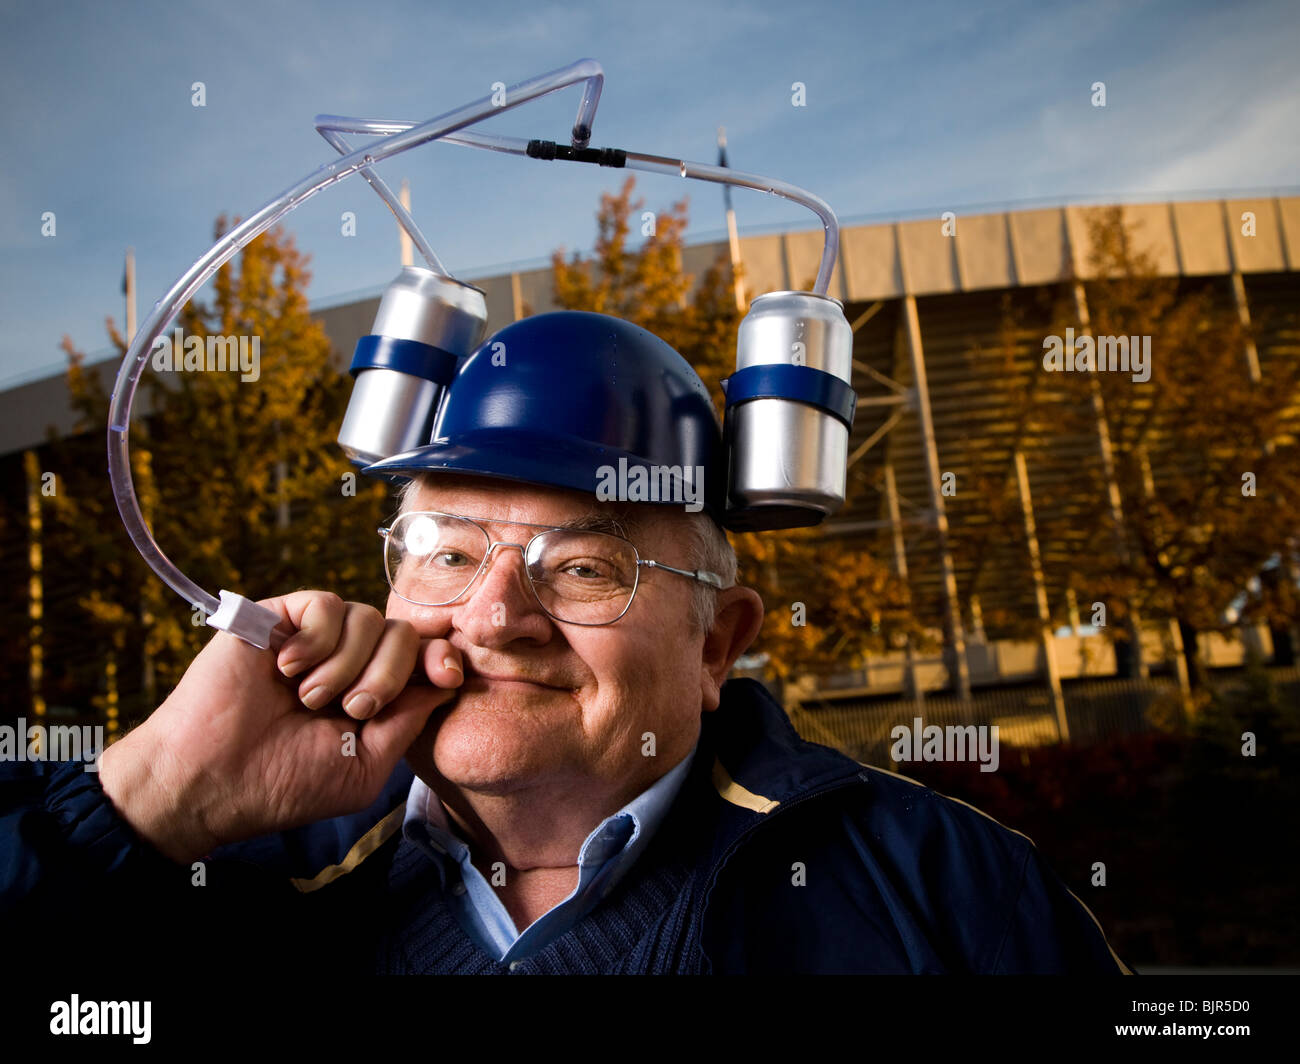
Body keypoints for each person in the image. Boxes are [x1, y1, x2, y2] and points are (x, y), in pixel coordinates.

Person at [0, 311, 1131, 975]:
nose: (494, 616)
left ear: (715, 641)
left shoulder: (946, 897)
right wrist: (141, 802)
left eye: (585, 566)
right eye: (446, 554)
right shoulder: (210, 865)